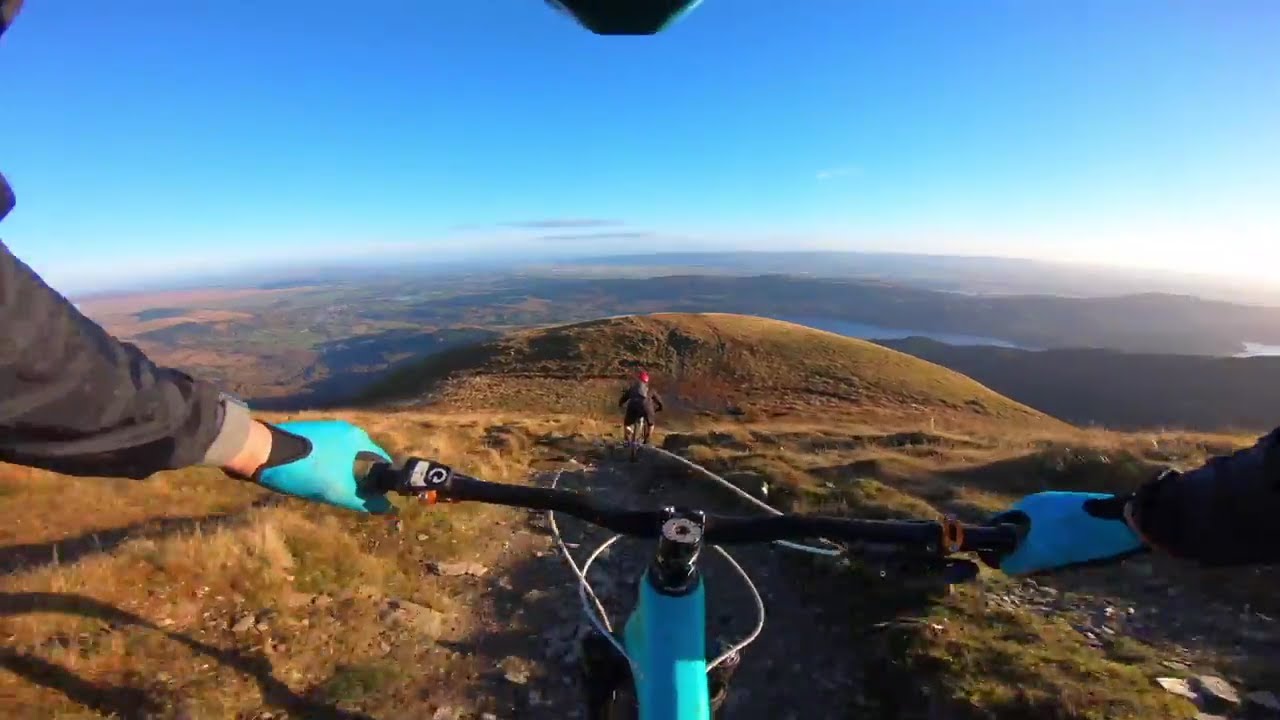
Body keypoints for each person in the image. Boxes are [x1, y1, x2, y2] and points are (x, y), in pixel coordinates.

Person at [618, 370, 663, 445]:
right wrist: (660, 408)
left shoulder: (632, 389)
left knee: (627, 424)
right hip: (646, 407)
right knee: (651, 424)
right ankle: (647, 440)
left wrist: (621, 404)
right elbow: (659, 401)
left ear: (638, 380)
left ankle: (627, 440)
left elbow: (623, 398)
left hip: (633, 405)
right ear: (647, 381)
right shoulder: (650, 390)